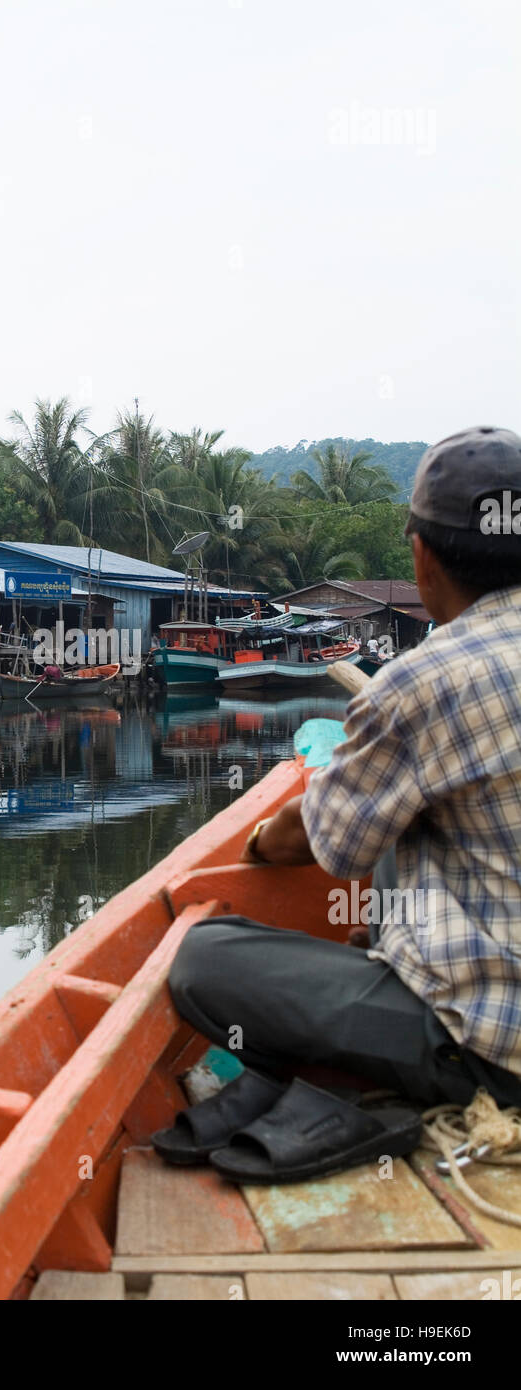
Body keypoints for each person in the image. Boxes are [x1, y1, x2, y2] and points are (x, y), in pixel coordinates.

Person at [160, 428, 521, 1175]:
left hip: (496, 1052)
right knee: (402, 828)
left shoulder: (423, 680)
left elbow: (318, 843)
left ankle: (396, 1078)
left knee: (202, 959)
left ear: (422, 558)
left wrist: (256, 841)